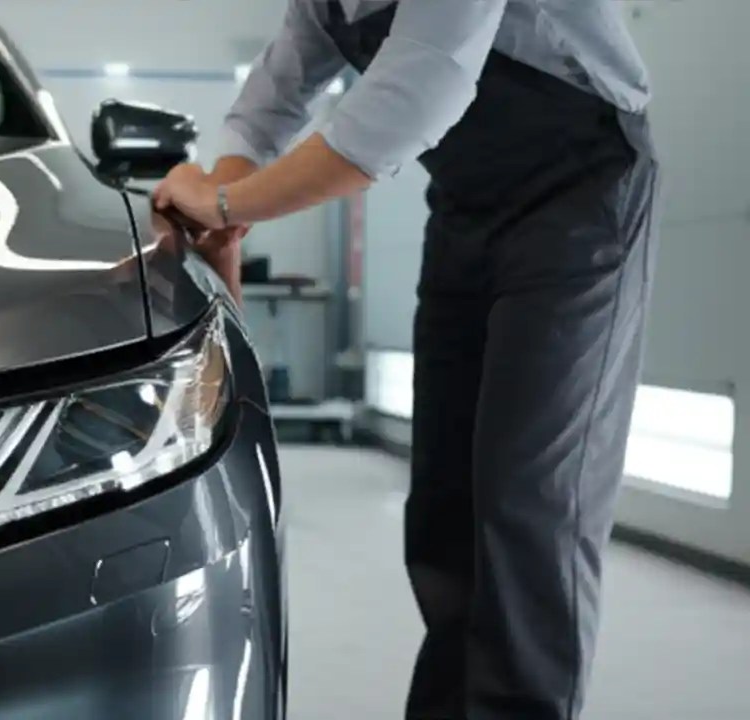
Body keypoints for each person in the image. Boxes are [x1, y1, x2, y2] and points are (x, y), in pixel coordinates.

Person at [152, 1, 659, 719]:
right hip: (466, 208)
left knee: (528, 506)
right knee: (445, 514)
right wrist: (223, 216)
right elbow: (269, 103)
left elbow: (415, 91)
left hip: (581, 192)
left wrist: (227, 201)